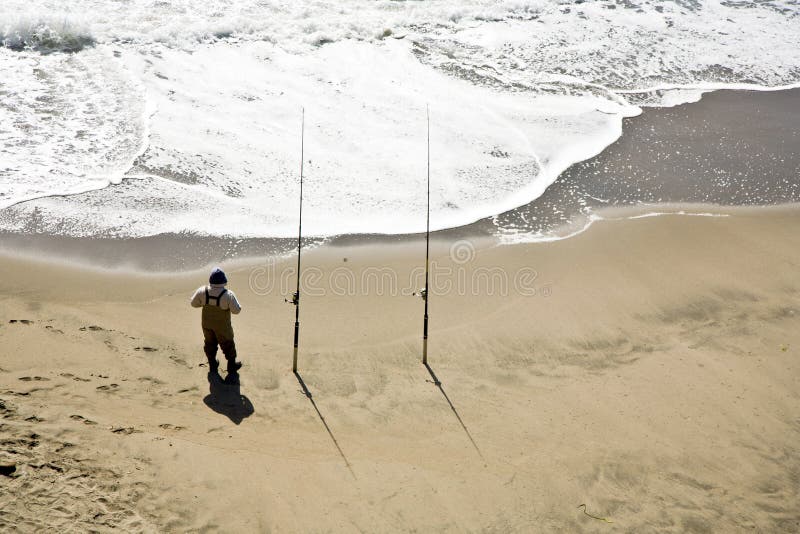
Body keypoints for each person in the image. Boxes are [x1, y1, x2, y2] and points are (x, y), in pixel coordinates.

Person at [190, 268, 242, 374]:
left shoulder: (202, 291)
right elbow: (236, 311)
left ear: (211, 280)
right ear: (224, 281)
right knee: (228, 344)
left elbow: (193, 304)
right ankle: (231, 365)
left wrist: (203, 303)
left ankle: (212, 363)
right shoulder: (228, 295)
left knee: (209, 343)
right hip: (223, 326)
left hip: (207, 324)